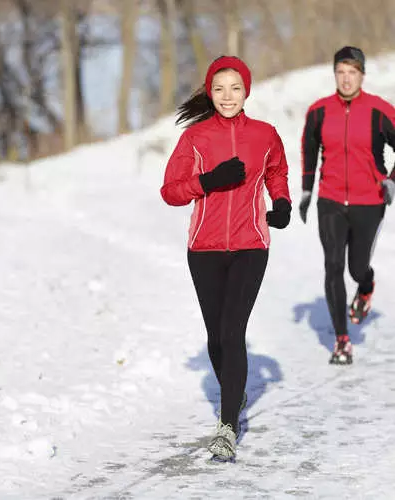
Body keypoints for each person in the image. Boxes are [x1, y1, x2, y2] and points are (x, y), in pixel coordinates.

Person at [160, 56, 291, 462]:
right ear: (209, 93)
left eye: (235, 88)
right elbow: (170, 190)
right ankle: (235, 389)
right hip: (204, 249)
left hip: (251, 244)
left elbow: (277, 172)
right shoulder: (196, 138)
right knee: (217, 338)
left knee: (233, 333)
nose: (227, 96)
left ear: (246, 90)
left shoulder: (265, 134)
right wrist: (209, 181)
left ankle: (227, 424)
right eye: (219, 89)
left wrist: (282, 203)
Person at [299, 46, 395, 365]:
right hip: (330, 200)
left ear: (362, 75)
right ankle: (342, 340)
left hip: (369, 200)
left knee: (355, 268)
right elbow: (309, 152)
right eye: (341, 72)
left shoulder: (380, 111)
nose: (346, 79)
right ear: (334, 75)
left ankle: (365, 285)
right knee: (334, 265)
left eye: (352, 72)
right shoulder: (319, 111)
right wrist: (305, 192)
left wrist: (391, 180)